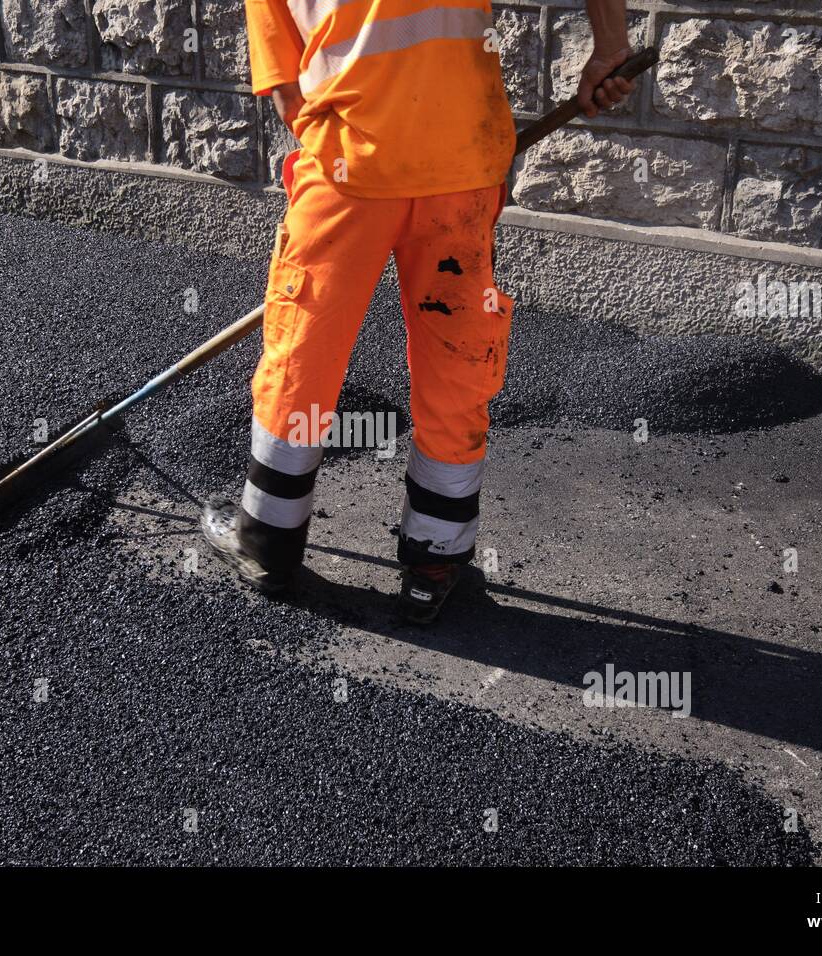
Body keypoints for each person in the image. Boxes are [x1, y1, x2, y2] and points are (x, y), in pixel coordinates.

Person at [202, 0, 636, 622]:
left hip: (348, 175)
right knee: (457, 358)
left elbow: (288, 96)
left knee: (305, 349)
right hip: (462, 163)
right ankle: (435, 560)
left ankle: (267, 542)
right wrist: (609, 50)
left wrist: (362, 151)